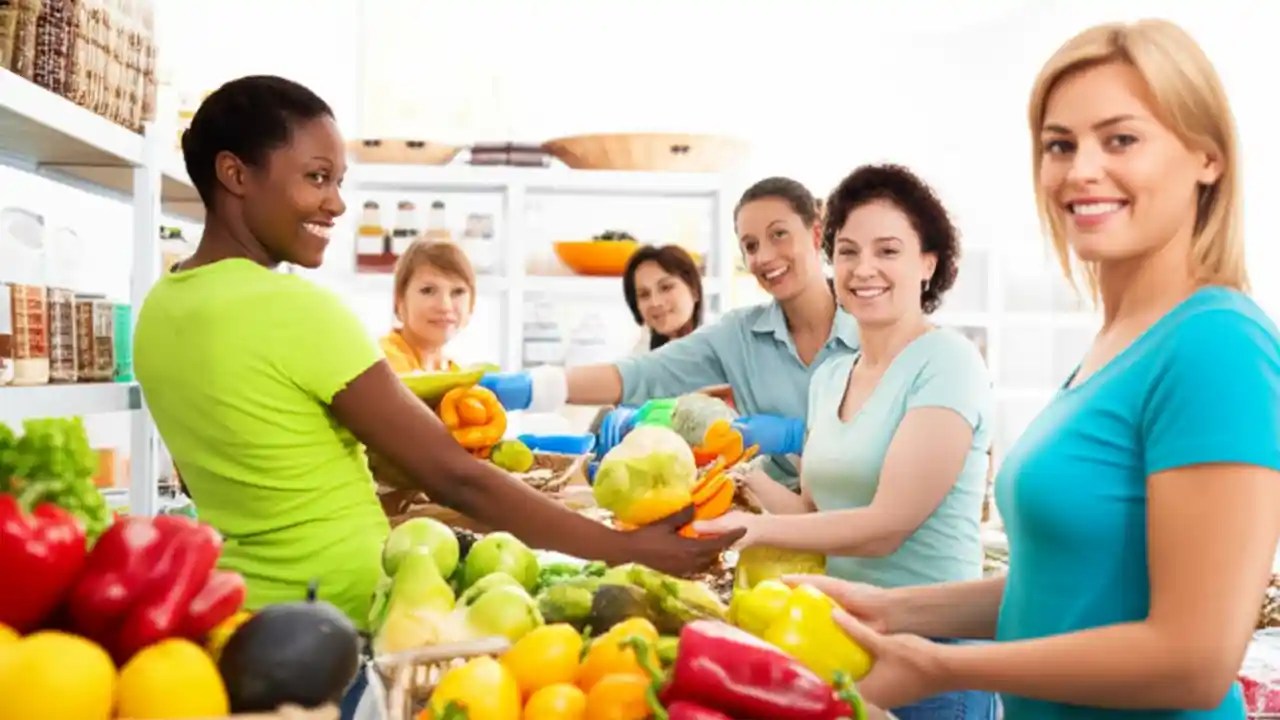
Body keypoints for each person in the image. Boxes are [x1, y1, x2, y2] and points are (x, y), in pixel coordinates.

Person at [132, 75, 741, 638]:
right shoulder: (293, 309)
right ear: (236, 175)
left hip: (243, 612)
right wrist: (626, 549)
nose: (337, 204)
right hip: (342, 614)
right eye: (317, 178)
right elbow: (455, 476)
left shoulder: (158, 311)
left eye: (339, 181)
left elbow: (255, 460)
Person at [794, 19, 1280, 720]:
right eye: (1060, 144)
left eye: (1121, 139)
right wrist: (894, 609)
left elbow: (1193, 663)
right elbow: (1065, 589)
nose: (1081, 169)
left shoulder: (1218, 344)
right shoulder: (1116, 343)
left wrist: (938, 666)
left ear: (1207, 158)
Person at [696, 163, 997, 719]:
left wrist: (751, 527)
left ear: (928, 263)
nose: (863, 270)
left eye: (888, 251)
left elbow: (886, 526)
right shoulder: (832, 376)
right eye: (848, 251)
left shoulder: (947, 362)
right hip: (839, 644)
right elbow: (812, 511)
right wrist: (735, 472)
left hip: (933, 657)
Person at [483, 177, 861, 489]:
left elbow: (893, 449)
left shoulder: (870, 327)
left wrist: (800, 439)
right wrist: (536, 387)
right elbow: (640, 374)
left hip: (867, 524)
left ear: (815, 234)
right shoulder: (740, 335)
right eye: (750, 245)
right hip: (778, 520)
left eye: (779, 234)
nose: (763, 256)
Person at [380, 239, 473, 374]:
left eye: (458, 292)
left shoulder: (454, 372)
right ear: (400, 301)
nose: (445, 306)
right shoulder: (383, 364)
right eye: (428, 290)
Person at [622, 243, 704, 354]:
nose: (655, 302)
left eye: (666, 288)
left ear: (694, 290)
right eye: (644, 294)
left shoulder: (723, 345)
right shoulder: (638, 358)